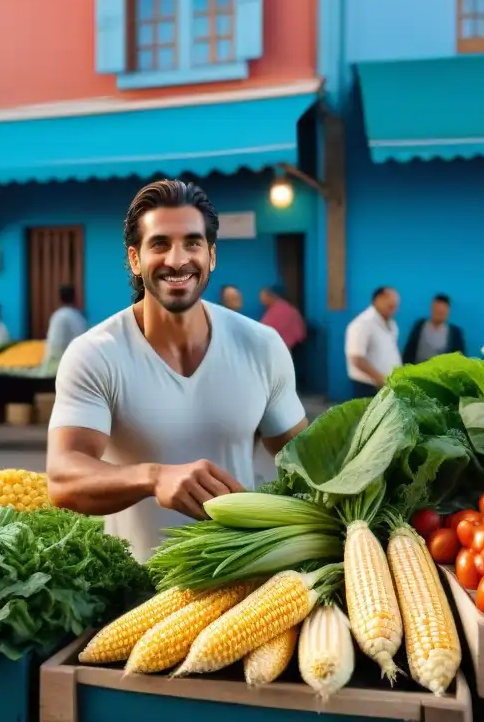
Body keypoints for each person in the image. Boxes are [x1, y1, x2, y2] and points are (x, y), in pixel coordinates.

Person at [46, 179, 307, 562]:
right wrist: (154, 477)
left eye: (192, 243)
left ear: (211, 255)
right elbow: (63, 476)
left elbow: (305, 465)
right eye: (160, 244)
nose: (177, 259)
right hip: (135, 593)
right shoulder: (95, 354)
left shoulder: (261, 346)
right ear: (135, 260)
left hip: (242, 586)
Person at [345, 287, 402, 398]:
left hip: (387, 386)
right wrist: (380, 379)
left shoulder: (392, 324)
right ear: (378, 299)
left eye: (395, 306)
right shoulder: (362, 323)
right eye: (390, 306)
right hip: (368, 387)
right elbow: (356, 359)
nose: (394, 310)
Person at [403, 293, 466, 364]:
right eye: (437, 311)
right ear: (432, 308)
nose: (439, 314)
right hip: (418, 370)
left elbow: (460, 358)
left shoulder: (455, 332)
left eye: (442, 312)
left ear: (448, 311)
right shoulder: (419, 325)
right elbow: (408, 351)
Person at [42, 285, 88, 372]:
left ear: (59, 299)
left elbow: (53, 343)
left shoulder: (58, 316)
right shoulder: (77, 317)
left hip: (55, 364)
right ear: (75, 298)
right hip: (73, 364)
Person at [259, 285, 307, 351]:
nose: (261, 300)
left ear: (272, 296)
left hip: (282, 346)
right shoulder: (280, 307)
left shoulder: (280, 309)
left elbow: (267, 328)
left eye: (263, 297)